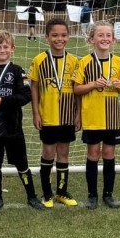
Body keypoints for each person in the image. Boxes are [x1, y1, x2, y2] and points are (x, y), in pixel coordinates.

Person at [0, 30, 47, 212]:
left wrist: (2, 101)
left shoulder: (17, 71)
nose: (2, 50)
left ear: (12, 49)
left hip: (12, 127)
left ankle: (32, 197)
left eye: (5, 47)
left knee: (21, 163)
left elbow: (25, 96)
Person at [72, 21, 120, 209]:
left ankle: (108, 194)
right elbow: (76, 89)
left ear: (113, 40)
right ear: (91, 39)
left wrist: (119, 87)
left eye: (108, 35)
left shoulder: (118, 61)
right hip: (92, 117)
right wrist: (93, 84)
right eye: (100, 35)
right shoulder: (84, 62)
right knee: (93, 154)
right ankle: (92, 195)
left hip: (111, 118)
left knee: (109, 154)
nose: (105, 38)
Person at [29, 18, 80, 208]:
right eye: (55, 35)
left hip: (67, 116)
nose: (60, 39)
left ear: (69, 36)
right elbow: (34, 87)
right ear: (47, 37)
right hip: (48, 115)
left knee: (64, 153)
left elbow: (77, 90)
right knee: (48, 153)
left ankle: (61, 192)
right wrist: (36, 113)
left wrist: (79, 114)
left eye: (64, 35)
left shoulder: (74, 61)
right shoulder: (39, 60)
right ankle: (47, 193)